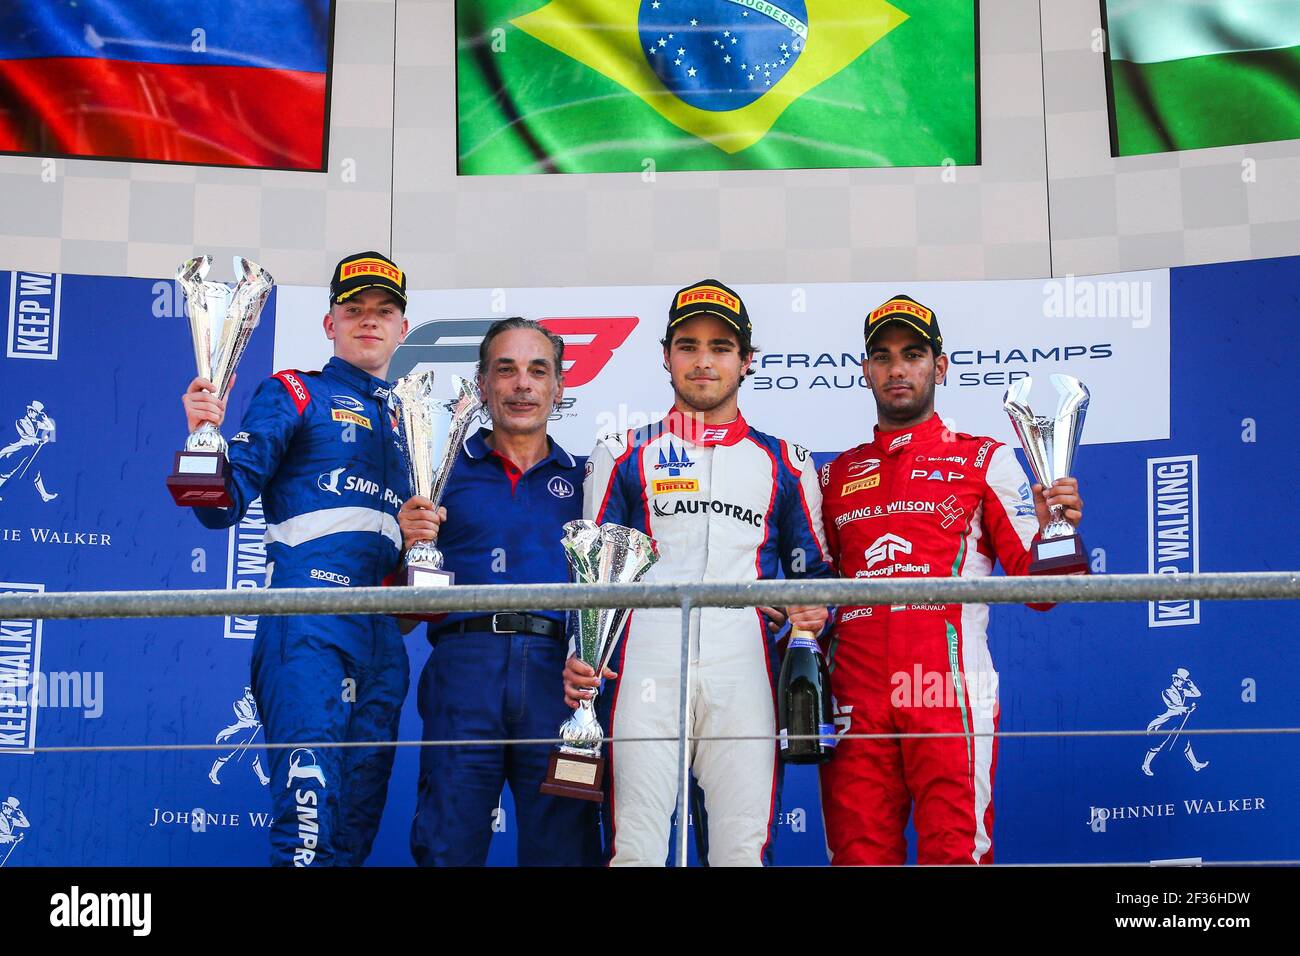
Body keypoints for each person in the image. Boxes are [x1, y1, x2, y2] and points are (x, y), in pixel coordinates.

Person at [564, 279, 833, 866]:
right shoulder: (623, 451)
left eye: (721, 346)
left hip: (746, 668)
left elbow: (813, 574)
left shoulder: (786, 460)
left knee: (741, 851)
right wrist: (579, 650)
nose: (704, 360)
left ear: (746, 361)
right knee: (633, 848)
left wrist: (809, 611)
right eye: (688, 345)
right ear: (666, 356)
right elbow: (593, 575)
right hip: (643, 665)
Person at [817, 293, 1084, 866]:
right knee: (857, 856)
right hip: (855, 698)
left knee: (955, 852)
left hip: (948, 691)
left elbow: (1043, 592)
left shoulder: (985, 460)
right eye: (882, 356)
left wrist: (1056, 530)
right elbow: (809, 589)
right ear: (864, 370)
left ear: (939, 367)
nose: (896, 369)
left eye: (912, 354)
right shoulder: (833, 475)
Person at [182, 251, 413, 866]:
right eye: (354, 309)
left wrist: (420, 543)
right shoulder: (294, 392)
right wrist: (202, 438)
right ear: (329, 323)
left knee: (352, 833)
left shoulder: (409, 425)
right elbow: (217, 507)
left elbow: (410, 572)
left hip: (381, 643)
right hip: (308, 625)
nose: (369, 321)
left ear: (402, 328)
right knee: (307, 827)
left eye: (383, 311)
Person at [399, 317, 601, 867]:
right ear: (483, 383)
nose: (522, 385)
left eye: (538, 370)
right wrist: (407, 543)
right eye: (505, 370)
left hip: (559, 682)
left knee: (564, 853)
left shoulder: (589, 482)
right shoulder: (437, 475)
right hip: (465, 670)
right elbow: (398, 614)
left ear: (559, 388)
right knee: (448, 846)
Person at [1142, 668, 1209, 775]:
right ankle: (1146, 765)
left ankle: (1195, 764)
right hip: (1167, 721)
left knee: (1185, 742)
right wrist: (1187, 709)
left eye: (1184, 681)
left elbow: (1197, 694)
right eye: (1181, 680)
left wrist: (1191, 684)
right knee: (1158, 743)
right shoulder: (1167, 691)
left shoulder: (1183, 691)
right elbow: (1173, 706)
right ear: (1175, 680)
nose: (1182, 683)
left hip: (1179, 721)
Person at [0, 400, 58, 502]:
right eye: (31, 411)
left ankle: (44, 495)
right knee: (6, 472)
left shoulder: (36, 423)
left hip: (28, 452)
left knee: (36, 472)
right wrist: (39, 440)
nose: (32, 413)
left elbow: (50, 427)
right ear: (28, 410)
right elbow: (27, 438)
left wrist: (46, 418)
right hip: (17, 451)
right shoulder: (21, 421)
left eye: (35, 412)